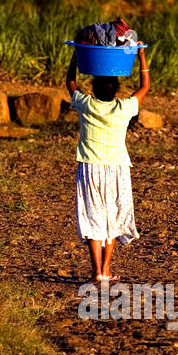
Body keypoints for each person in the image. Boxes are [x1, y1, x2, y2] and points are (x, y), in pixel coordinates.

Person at [66, 45, 150, 282]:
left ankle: (96, 272)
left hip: (90, 167)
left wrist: (75, 58)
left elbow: (70, 82)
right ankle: (106, 269)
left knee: (93, 217)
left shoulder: (86, 105)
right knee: (111, 217)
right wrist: (141, 56)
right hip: (117, 168)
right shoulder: (124, 108)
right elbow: (144, 87)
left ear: (92, 89)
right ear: (117, 91)